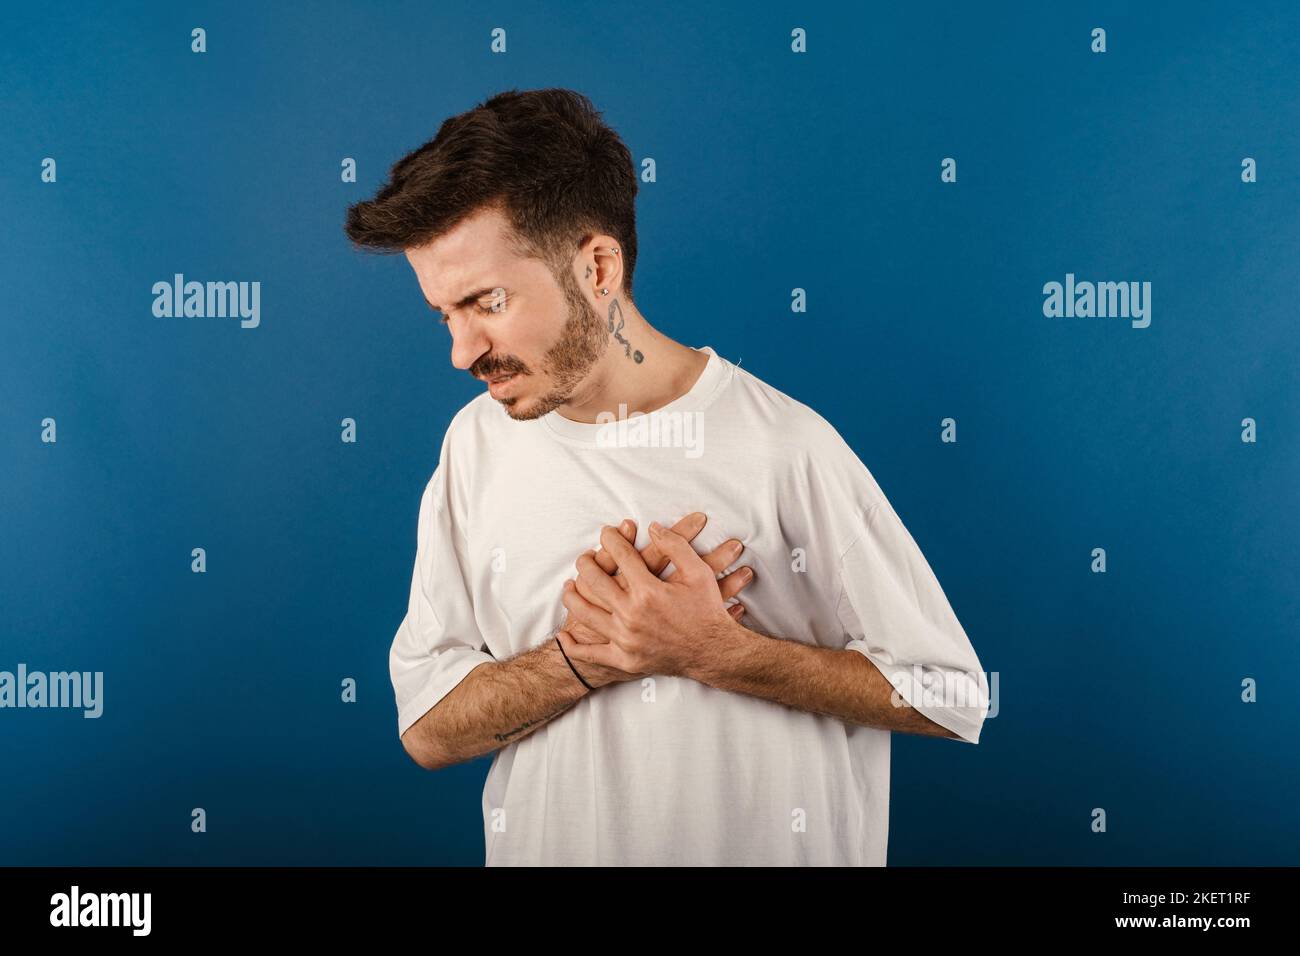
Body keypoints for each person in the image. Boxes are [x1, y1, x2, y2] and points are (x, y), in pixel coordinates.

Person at [344, 88, 990, 866]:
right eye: (444, 314)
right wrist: (591, 654)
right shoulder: (474, 446)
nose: (461, 351)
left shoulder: (786, 444)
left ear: (598, 267)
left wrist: (718, 652)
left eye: (488, 302)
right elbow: (427, 725)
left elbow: (954, 695)